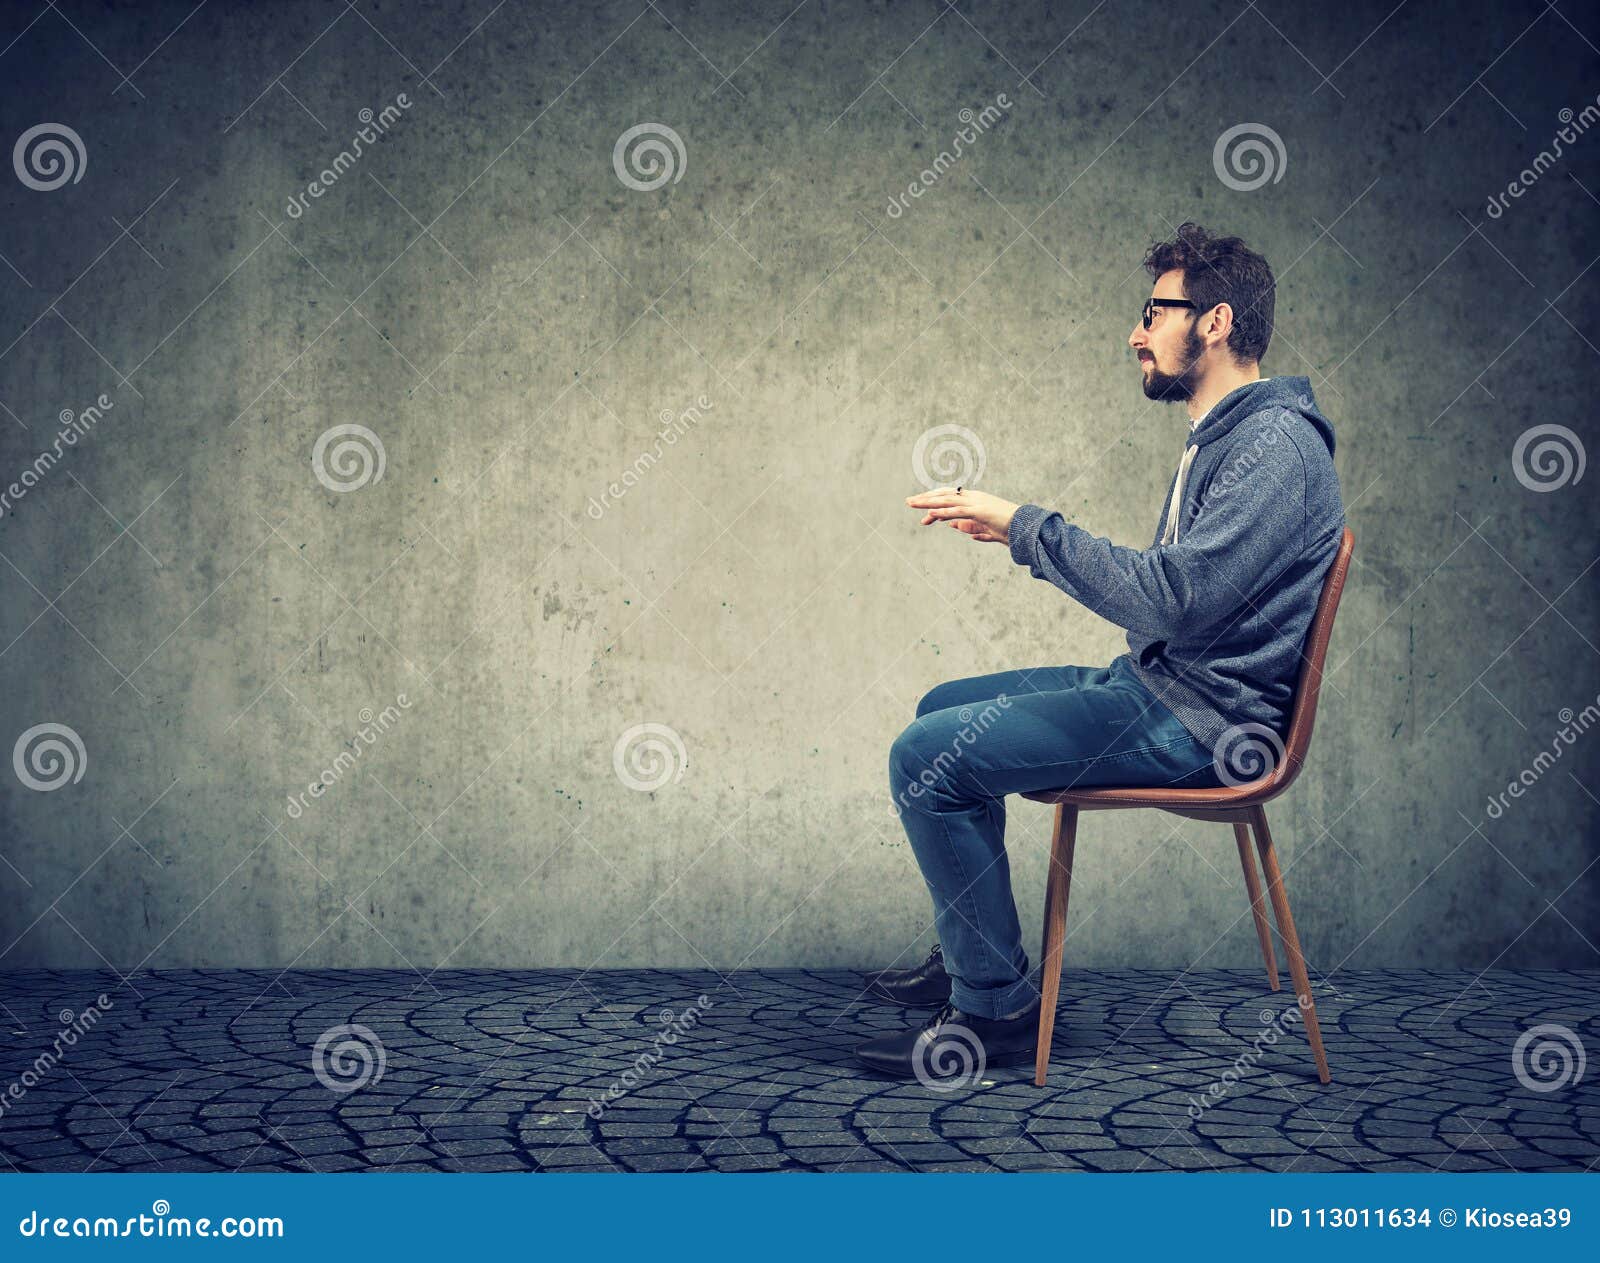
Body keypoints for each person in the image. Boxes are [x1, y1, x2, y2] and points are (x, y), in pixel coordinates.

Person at [854, 222, 1346, 1080]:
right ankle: (981, 953)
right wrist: (1025, 534)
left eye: (1156, 311)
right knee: (942, 711)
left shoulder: (1273, 449)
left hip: (1204, 724)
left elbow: (1173, 599)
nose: (1136, 332)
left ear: (1216, 321)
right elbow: (1177, 605)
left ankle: (994, 1011)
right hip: (1166, 687)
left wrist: (1026, 526)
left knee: (925, 759)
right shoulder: (1227, 435)